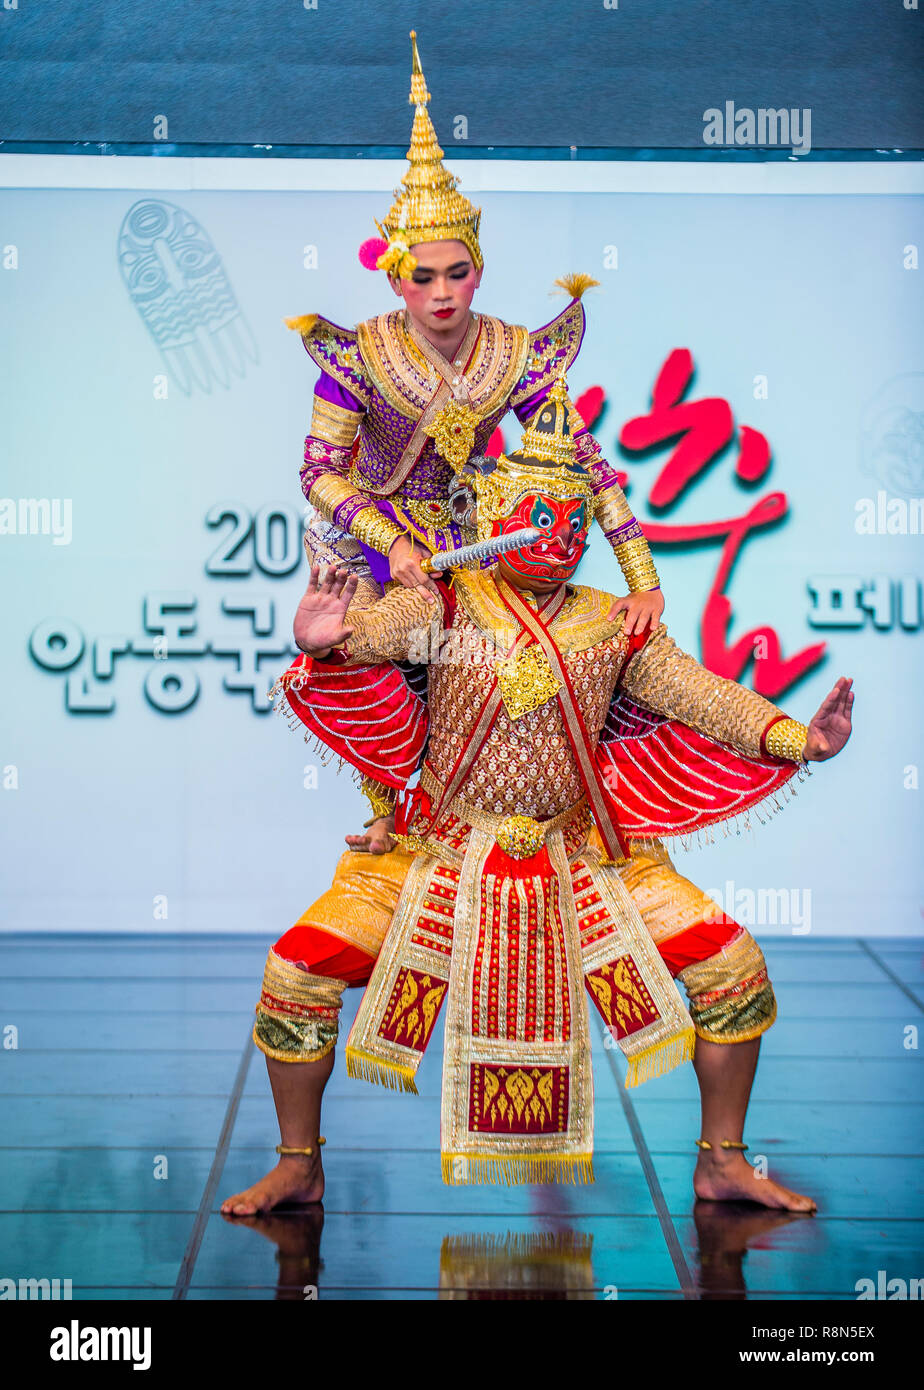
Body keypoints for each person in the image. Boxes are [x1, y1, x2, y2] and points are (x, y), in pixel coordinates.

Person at [223, 375, 853, 1218]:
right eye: (536, 517)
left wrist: (795, 741)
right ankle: (299, 1163)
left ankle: (722, 1162)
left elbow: (700, 694)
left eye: (571, 521)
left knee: (733, 968)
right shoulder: (443, 600)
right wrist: (326, 643)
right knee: (294, 970)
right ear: (492, 517)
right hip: (441, 854)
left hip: (582, 857)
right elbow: (372, 640)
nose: (555, 538)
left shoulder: (615, 620)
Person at [278, 31, 664, 850]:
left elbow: (583, 463)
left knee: (518, 664)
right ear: (393, 276)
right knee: (383, 655)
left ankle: (569, 807)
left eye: (457, 273)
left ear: (480, 269)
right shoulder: (356, 355)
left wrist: (643, 578)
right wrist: (388, 542)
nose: (442, 291)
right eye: (423, 276)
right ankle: (386, 817)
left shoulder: (515, 353)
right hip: (372, 528)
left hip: (478, 533)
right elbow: (318, 472)